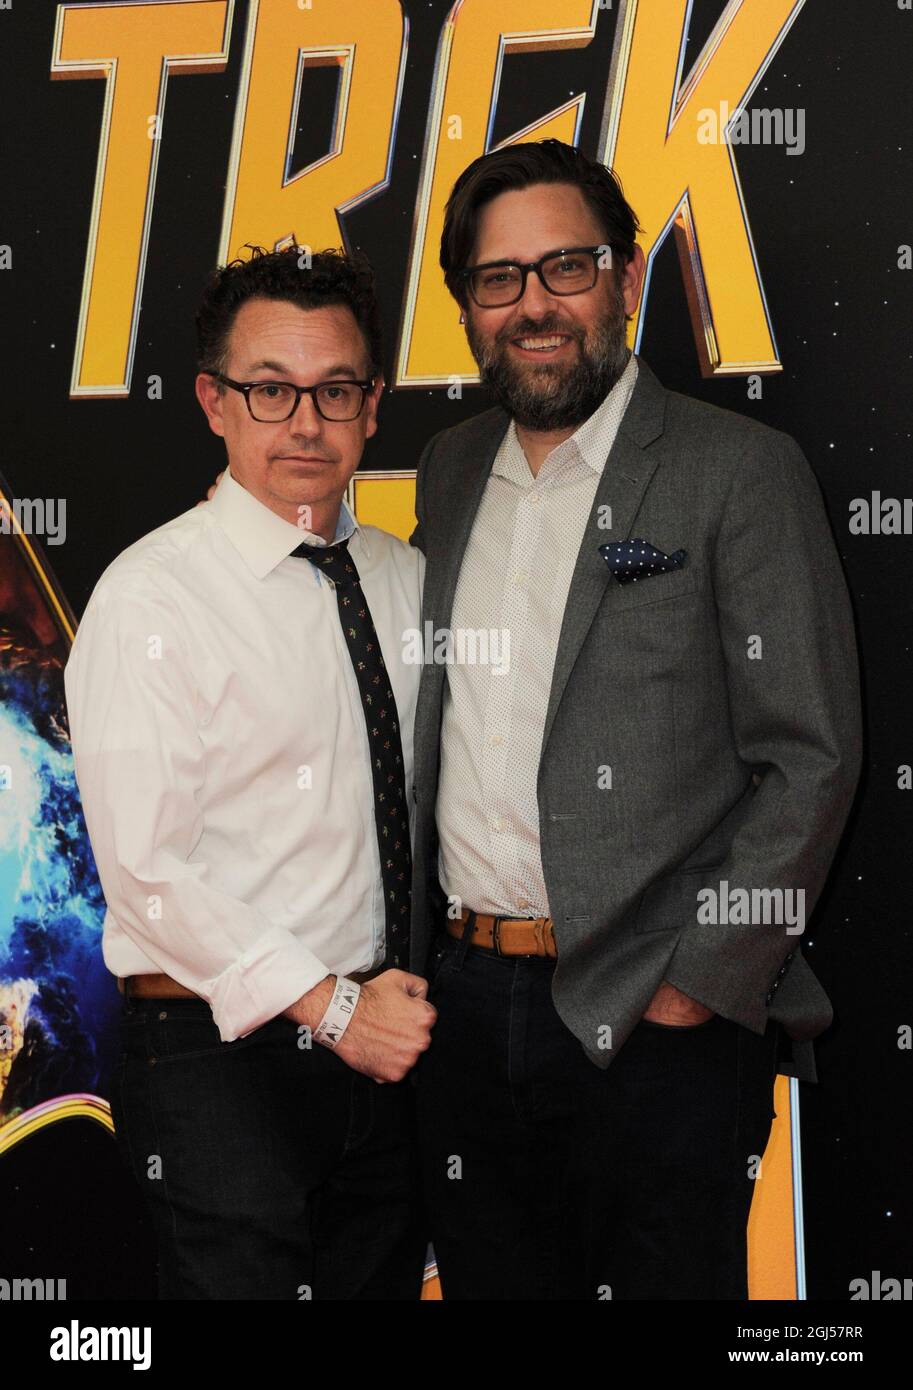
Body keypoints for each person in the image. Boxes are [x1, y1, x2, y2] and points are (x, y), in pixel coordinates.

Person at [407, 139, 863, 1299]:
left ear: (624, 280)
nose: (534, 306)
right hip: (461, 1006)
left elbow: (808, 755)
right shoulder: (449, 470)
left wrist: (700, 981)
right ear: (466, 306)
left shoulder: (737, 471)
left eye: (566, 266)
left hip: (658, 1021)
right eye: (498, 278)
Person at [64, 246, 434, 1300]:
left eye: (335, 391)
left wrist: (365, 1015)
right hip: (214, 1055)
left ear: (373, 406)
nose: (306, 423)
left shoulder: (406, 581)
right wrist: (329, 1008)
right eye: (271, 390)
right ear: (213, 403)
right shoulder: (153, 597)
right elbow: (146, 872)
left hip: (386, 1048)